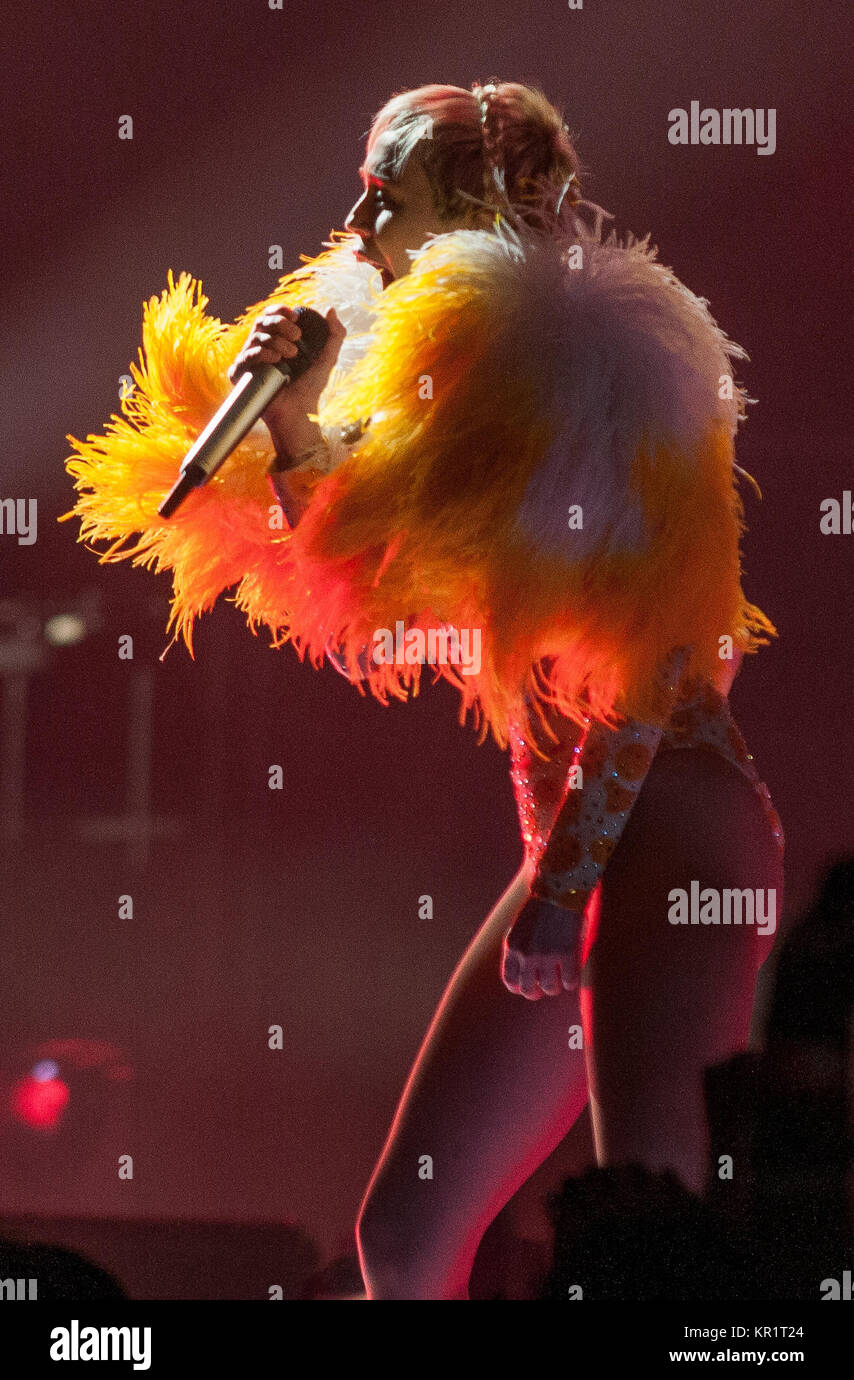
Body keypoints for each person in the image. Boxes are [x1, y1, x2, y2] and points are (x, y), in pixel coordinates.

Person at [62, 80, 784, 1300]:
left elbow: (662, 659)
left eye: (383, 191)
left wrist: (563, 890)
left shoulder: (596, 366)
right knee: (404, 1239)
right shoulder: (466, 385)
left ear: (458, 208)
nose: (355, 211)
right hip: (573, 836)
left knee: (652, 1238)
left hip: (666, 826)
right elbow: (373, 592)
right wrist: (291, 413)